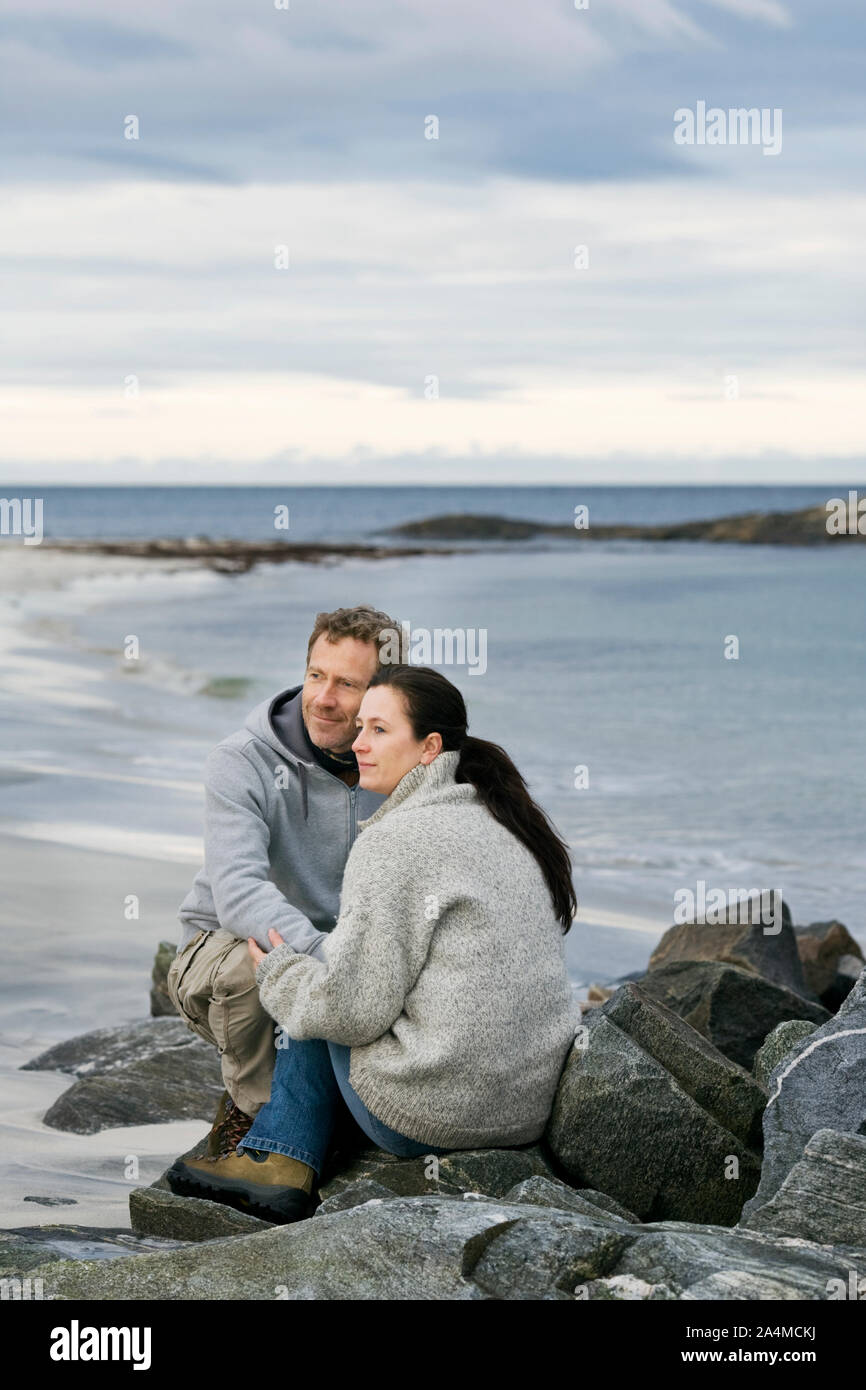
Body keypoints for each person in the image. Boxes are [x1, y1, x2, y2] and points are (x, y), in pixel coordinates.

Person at [166, 664, 579, 1223]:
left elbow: (350, 1011)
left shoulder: (395, 839)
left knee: (312, 987)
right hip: (524, 1110)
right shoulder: (502, 820)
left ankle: (282, 1159)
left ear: (430, 746)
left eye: (379, 730)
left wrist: (281, 970)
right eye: (361, 728)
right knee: (334, 970)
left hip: (432, 1116)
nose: (357, 744)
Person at [165, 604, 398, 1160]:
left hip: (344, 955)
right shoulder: (240, 760)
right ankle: (249, 1110)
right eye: (316, 675)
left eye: (347, 684)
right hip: (224, 950)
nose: (323, 697)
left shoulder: (401, 761)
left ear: (384, 694)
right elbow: (240, 893)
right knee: (258, 961)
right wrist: (328, 962)